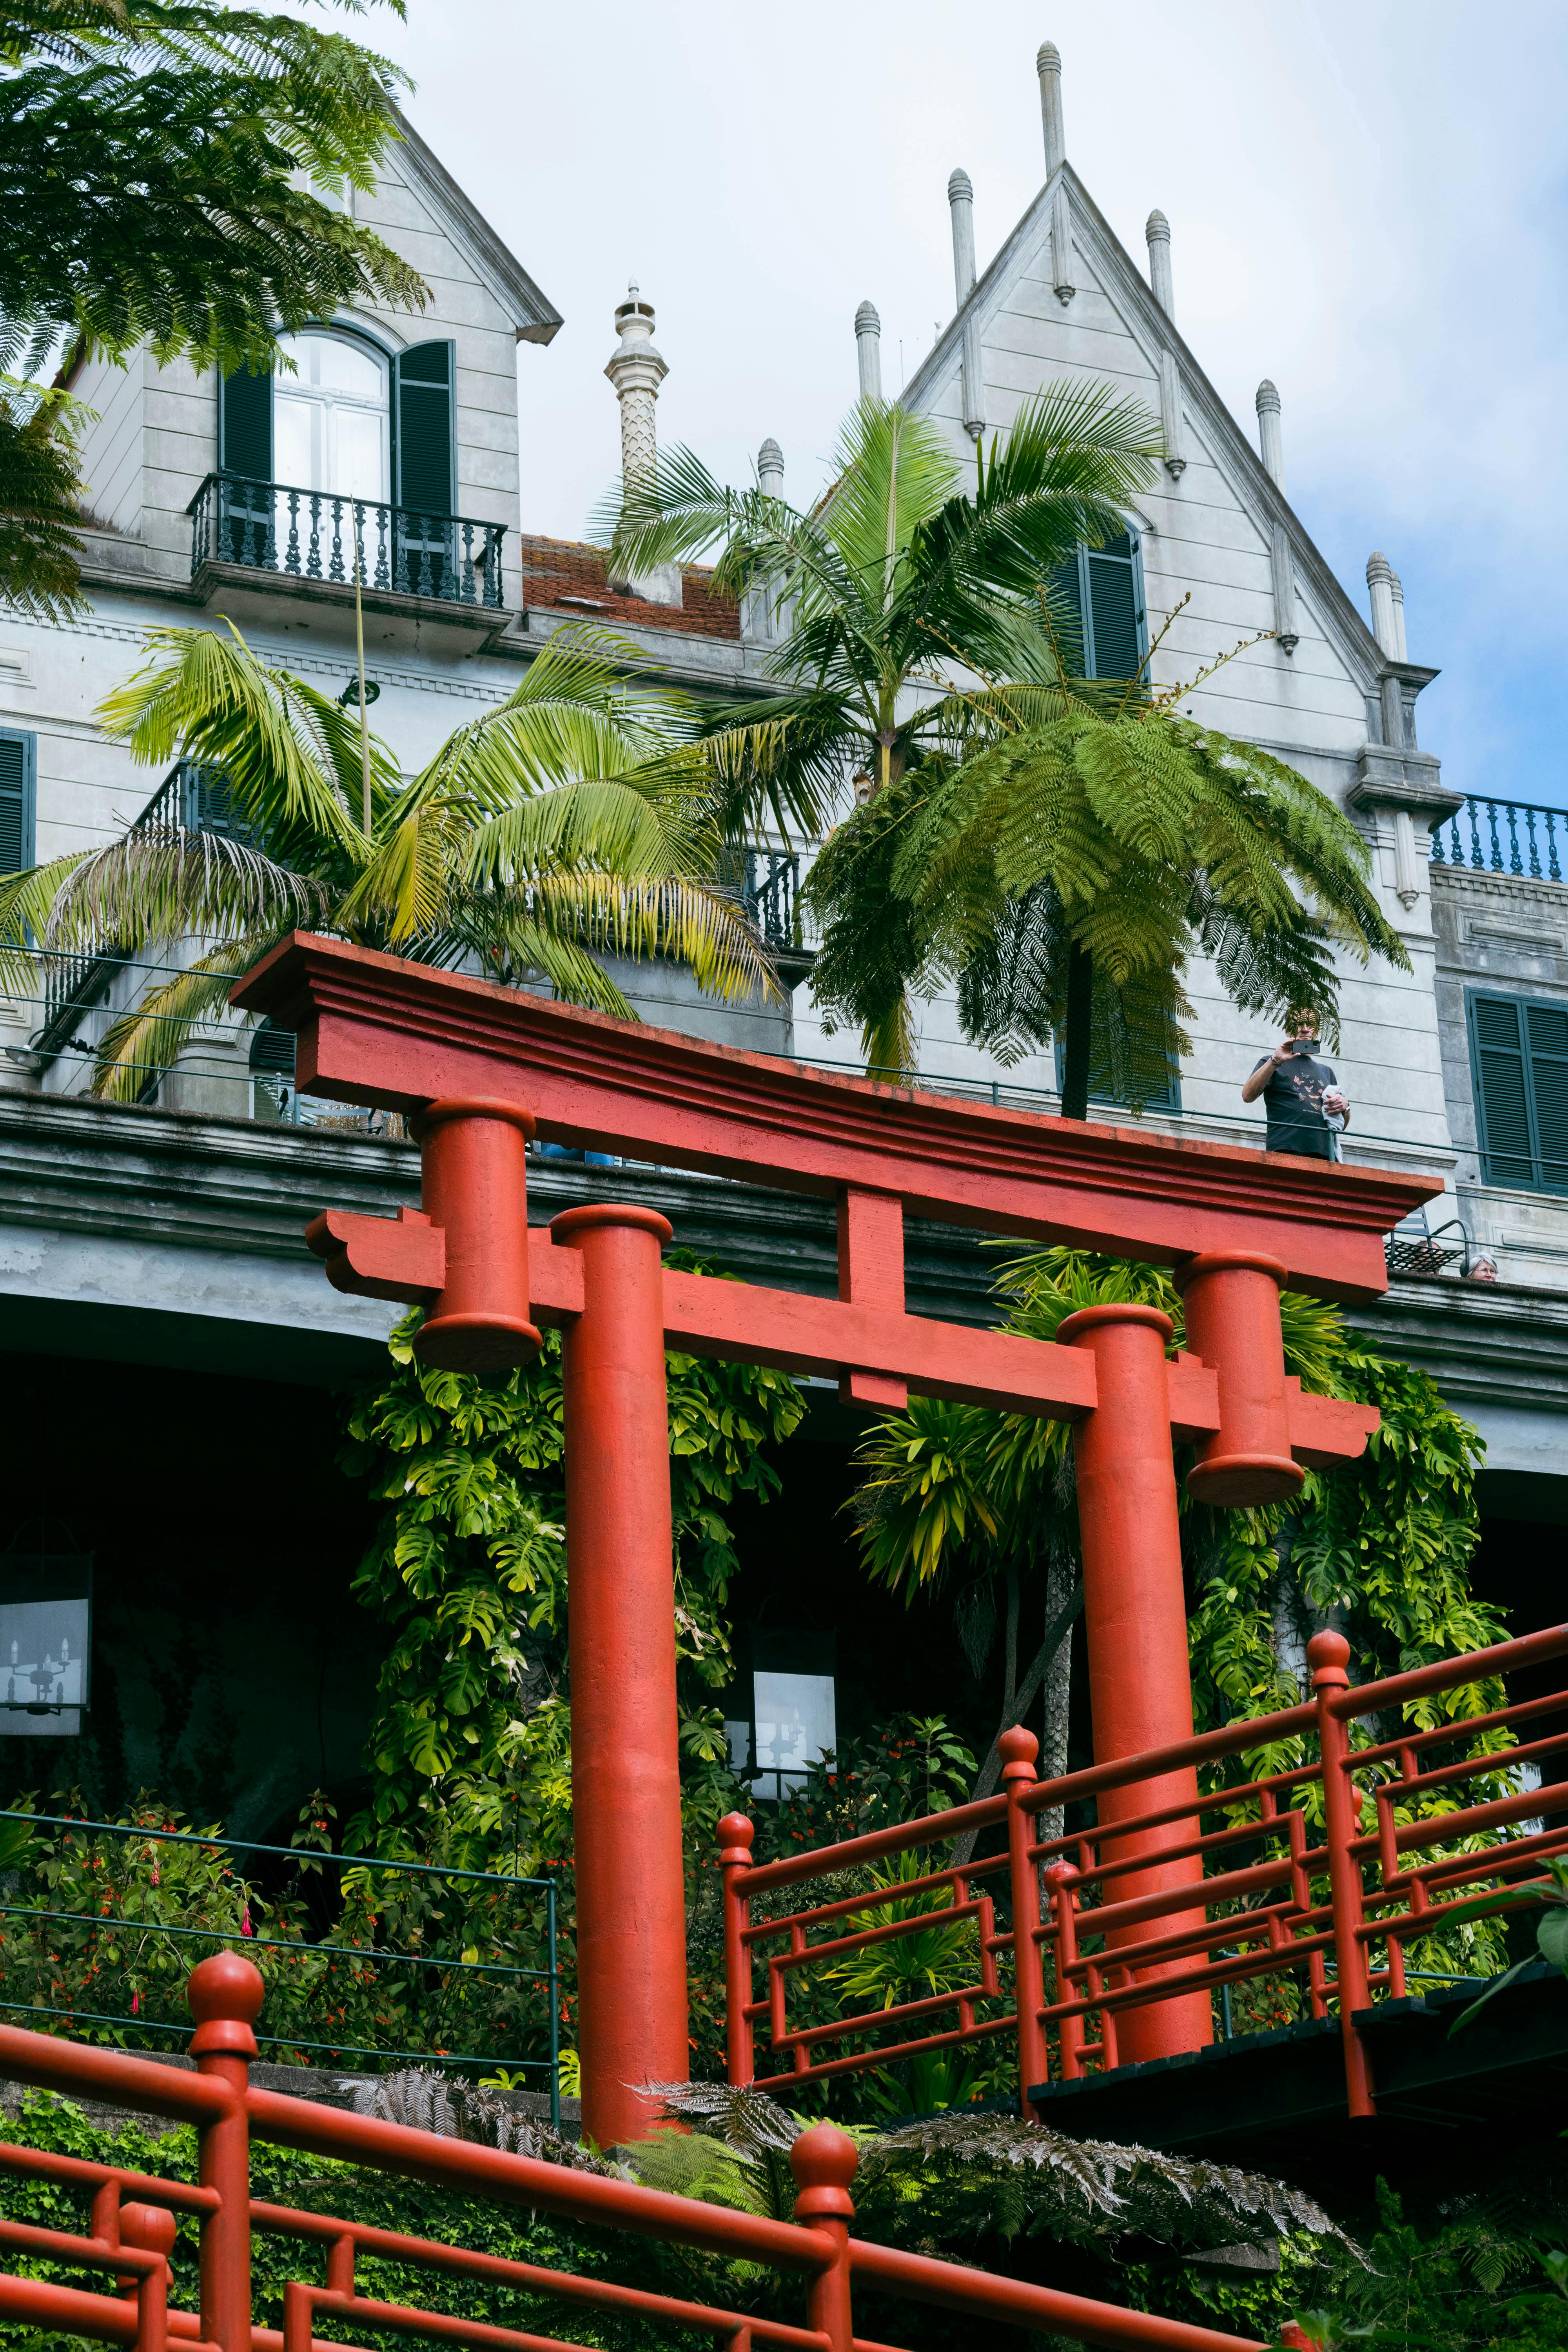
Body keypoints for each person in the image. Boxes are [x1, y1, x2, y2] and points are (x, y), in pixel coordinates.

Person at [1240, 1008, 1350, 1159]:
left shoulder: (1327, 1072)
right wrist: (1276, 1061)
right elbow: (1248, 1096)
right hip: (1284, 1149)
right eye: (1300, 1024)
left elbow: (1340, 1125)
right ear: (1287, 1030)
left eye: (1311, 1024)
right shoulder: (1271, 1062)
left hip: (1324, 1154)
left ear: (1317, 1031)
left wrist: (1346, 1106)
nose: (1305, 1029)